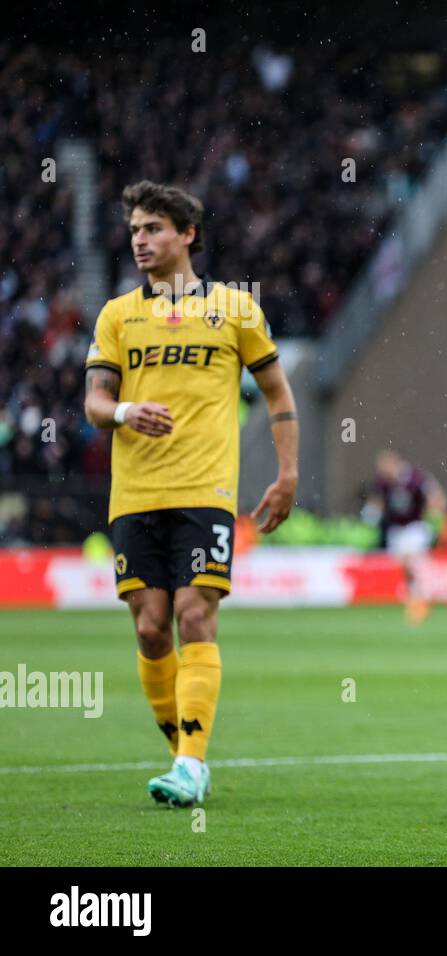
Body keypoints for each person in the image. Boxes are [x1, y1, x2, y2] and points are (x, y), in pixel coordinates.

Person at [84, 181, 299, 806]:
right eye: (133, 232)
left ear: (187, 235)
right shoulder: (118, 316)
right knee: (151, 629)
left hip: (205, 489)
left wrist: (286, 475)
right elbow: (95, 403)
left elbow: (281, 396)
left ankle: (190, 765)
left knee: (193, 615)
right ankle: (185, 753)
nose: (140, 241)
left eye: (153, 229)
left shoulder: (235, 310)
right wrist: (124, 411)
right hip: (135, 494)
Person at [364, 449, 446, 624]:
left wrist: (436, 512)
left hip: (414, 527)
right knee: (404, 567)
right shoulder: (383, 483)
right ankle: (415, 598)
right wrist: (370, 515)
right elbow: (377, 501)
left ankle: (417, 600)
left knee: (409, 562)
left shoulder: (415, 478)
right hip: (396, 530)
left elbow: (435, 495)